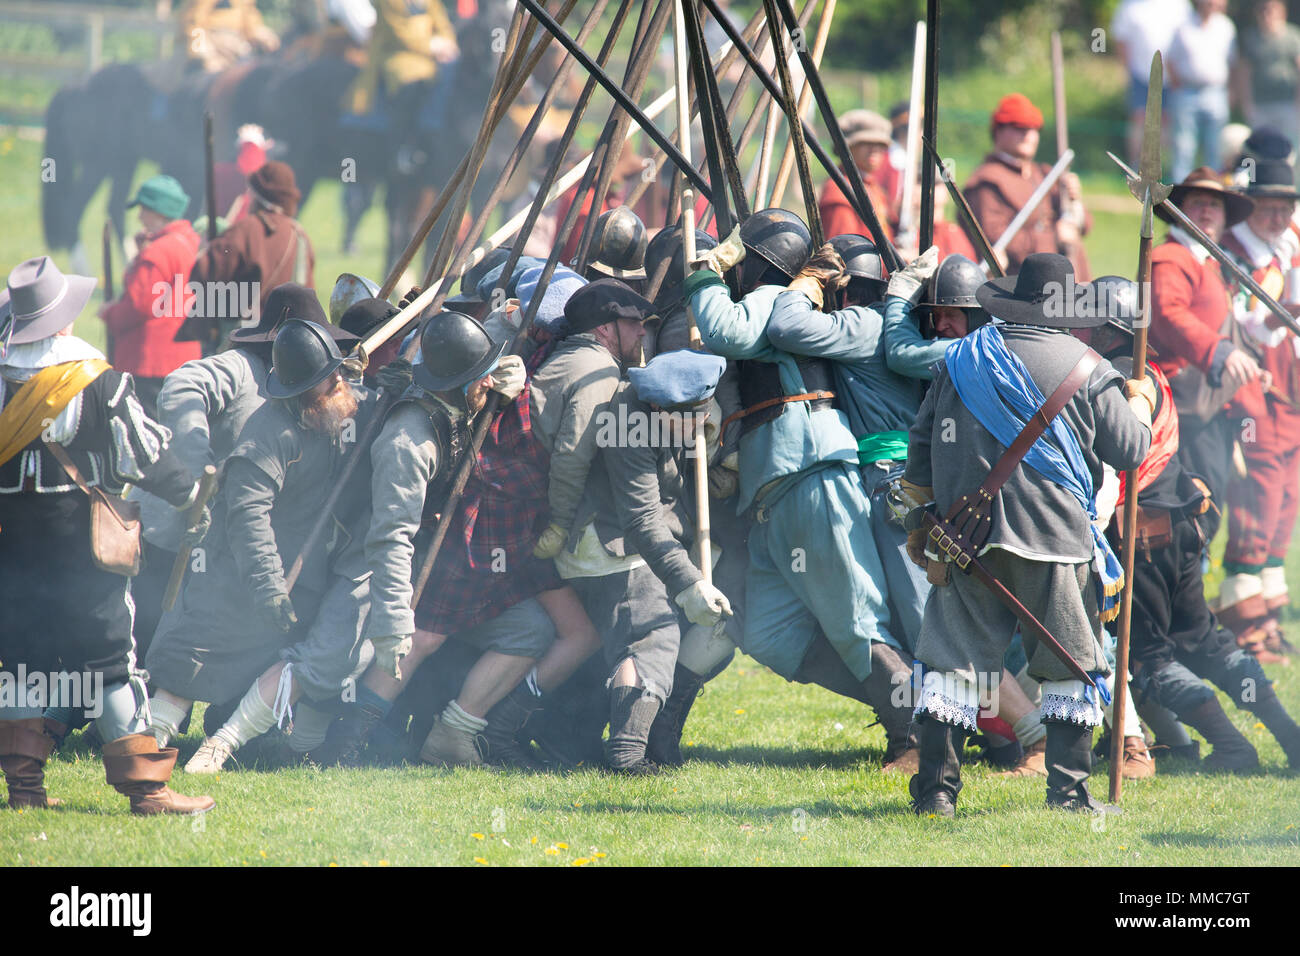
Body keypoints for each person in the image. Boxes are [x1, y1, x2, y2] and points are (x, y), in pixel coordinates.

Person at [900, 253, 1152, 816]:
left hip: (966, 537)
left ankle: (937, 794)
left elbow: (920, 448)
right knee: (1071, 665)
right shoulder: (1088, 367)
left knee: (950, 666)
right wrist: (1140, 401)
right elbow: (1130, 451)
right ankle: (1067, 795)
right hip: (1055, 540)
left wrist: (925, 521)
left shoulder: (961, 357)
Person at [685, 210, 918, 768]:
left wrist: (703, 274)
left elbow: (725, 330)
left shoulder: (770, 297)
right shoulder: (790, 302)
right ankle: (917, 708)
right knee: (769, 632)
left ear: (755, 262)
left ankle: (916, 738)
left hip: (811, 474)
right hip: (775, 489)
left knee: (859, 622)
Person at [0, 256, 213, 815]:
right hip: (83, 553)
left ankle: (24, 790)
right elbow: (145, 455)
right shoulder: (97, 382)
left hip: (12, 551)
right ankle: (148, 789)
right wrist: (189, 495)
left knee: (22, 659)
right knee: (108, 663)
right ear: (64, 322)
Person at [146, 319, 378, 771]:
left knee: (312, 660)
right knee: (193, 659)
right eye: (330, 381)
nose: (341, 385)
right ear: (303, 391)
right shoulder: (266, 436)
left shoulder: (347, 406)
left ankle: (226, 743)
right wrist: (268, 585)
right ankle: (147, 748)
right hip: (238, 575)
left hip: (309, 576)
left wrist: (396, 391)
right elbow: (249, 519)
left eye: (338, 376)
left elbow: (379, 410)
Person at [1090, 280, 1300, 771]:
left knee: (1145, 656)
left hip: (1140, 537)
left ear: (1105, 329)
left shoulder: (1115, 381)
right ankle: (1290, 738)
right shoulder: (1148, 373)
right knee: (1205, 641)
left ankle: (1230, 746)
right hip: (1182, 525)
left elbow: (1111, 465)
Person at [129, 284, 356, 666]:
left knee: (186, 638)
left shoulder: (297, 387)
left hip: (217, 542)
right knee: (136, 637)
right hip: (173, 531)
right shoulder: (239, 367)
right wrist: (197, 482)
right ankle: (67, 718)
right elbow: (180, 387)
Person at [1217, 156, 1300, 663]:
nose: (1277, 215)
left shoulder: (1286, 247)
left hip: (1289, 385)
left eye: (1285, 206)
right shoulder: (1232, 251)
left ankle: (1267, 615)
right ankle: (1242, 619)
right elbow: (1237, 322)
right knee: (1257, 492)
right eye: (1268, 206)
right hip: (1253, 387)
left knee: (1286, 495)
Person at [1148, 167, 1259, 538]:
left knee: (1208, 505)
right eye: (1198, 203)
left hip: (1208, 404)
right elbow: (1168, 313)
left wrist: (1245, 364)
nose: (1208, 211)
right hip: (1182, 404)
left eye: (1215, 204)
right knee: (1193, 507)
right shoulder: (1171, 257)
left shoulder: (1207, 261)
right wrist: (1220, 352)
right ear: (1180, 209)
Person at [185, 161, 315, 356]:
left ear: (256, 194)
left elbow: (202, 274)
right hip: (286, 346)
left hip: (244, 343)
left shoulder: (246, 229)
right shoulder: (300, 235)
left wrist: (210, 249)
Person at [98, 175, 202, 412]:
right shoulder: (190, 242)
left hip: (148, 362)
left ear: (159, 212)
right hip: (182, 358)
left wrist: (110, 313)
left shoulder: (156, 253)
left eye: (144, 208)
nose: (139, 216)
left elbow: (138, 306)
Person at [963, 93, 1092, 279]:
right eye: (1019, 127)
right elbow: (998, 242)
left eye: (1034, 128)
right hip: (1023, 287)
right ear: (998, 131)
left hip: (1070, 283)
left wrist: (1074, 202)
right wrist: (1054, 237)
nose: (1028, 135)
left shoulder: (1045, 174)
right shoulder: (986, 182)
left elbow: (1085, 224)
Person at [1111, 0, 1192, 165]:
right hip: (1140, 74)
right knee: (1139, 121)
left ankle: (1162, 170)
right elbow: (1120, 40)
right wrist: (1127, 70)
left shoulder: (1181, 5)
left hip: (1172, 77)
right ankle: (1135, 168)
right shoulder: (1129, 6)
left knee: (1168, 122)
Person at [1166, 0, 1238, 181]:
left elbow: (1233, 63)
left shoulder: (1226, 27)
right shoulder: (1183, 26)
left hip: (1216, 92)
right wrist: (1178, 86)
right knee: (1184, 146)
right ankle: (1180, 191)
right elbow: (1170, 60)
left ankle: (1212, 188)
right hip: (1187, 92)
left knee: (1215, 147)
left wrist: (1231, 90)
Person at [818, 110, 896, 245]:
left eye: (880, 144)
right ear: (848, 147)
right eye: (866, 143)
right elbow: (842, 252)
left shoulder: (874, 188)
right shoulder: (838, 189)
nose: (874, 149)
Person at [1239, 0, 1300, 156]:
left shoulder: (1293, 37)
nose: (1267, 15)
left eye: (1272, 11)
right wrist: (1247, 103)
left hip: (1287, 104)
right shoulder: (1251, 38)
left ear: (1282, 13)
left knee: (1290, 149)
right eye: (1263, 11)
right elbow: (1245, 73)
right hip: (1260, 105)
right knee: (1260, 150)